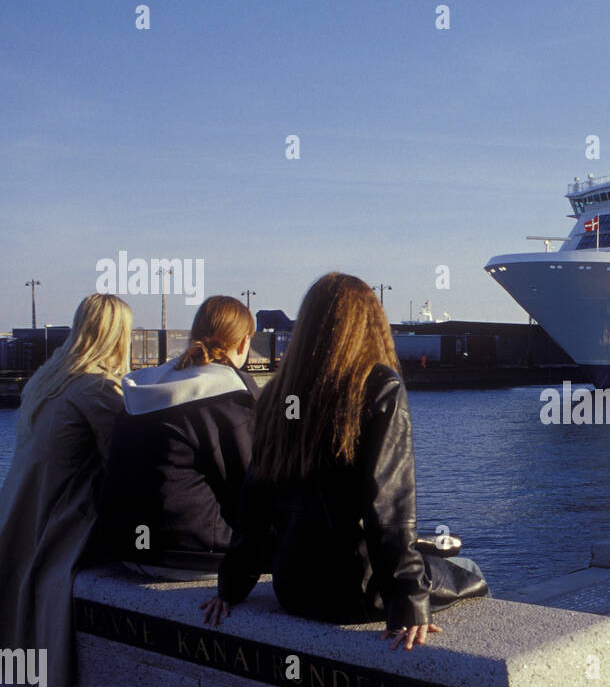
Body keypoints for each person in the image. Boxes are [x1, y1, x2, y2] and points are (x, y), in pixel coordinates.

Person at [200, 273, 488, 650]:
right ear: (370, 324)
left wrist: (231, 588)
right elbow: (388, 504)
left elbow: (254, 506)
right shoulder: (378, 385)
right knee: (471, 571)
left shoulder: (277, 396)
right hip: (359, 593)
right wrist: (409, 603)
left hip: (294, 589)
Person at [0, 294, 134, 687]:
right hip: (56, 520)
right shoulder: (98, 389)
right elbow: (123, 468)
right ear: (120, 335)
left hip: (16, 516)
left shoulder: (49, 378)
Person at [99, 296, 259, 575]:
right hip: (189, 555)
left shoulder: (143, 386)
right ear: (244, 342)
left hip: (124, 549)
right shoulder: (232, 395)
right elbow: (251, 486)